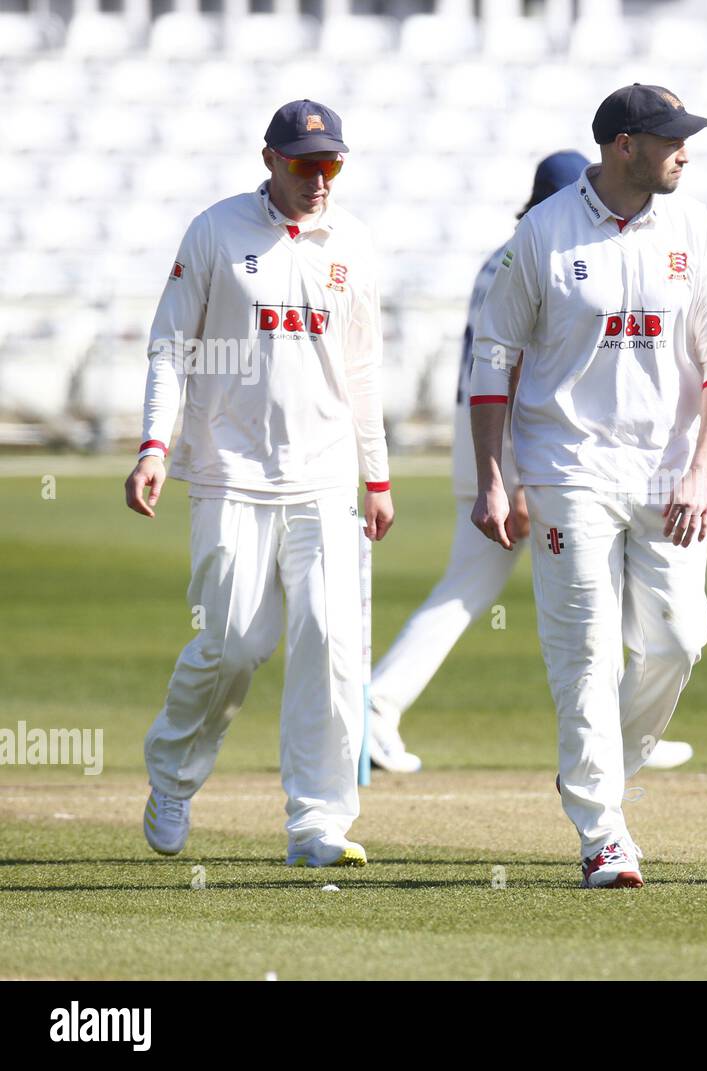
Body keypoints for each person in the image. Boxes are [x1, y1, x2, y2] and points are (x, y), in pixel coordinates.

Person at [469, 85, 707, 888]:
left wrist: (702, 469)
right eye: (671, 138)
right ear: (625, 145)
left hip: (669, 474)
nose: (685, 149)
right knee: (586, 651)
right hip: (567, 469)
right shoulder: (544, 234)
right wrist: (495, 475)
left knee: (680, 637)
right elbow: (493, 361)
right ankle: (603, 832)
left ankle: (597, 771)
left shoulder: (692, 227)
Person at [125, 100, 393, 868]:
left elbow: (363, 368)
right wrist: (154, 445)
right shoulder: (216, 231)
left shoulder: (354, 244)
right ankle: (173, 776)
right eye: (306, 164)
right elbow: (170, 348)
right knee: (235, 644)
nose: (320, 180)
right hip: (228, 473)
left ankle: (318, 822)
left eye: (332, 165)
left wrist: (375, 475)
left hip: (324, 478)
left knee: (330, 646)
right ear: (270, 159)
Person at [367, 150, 694, 776]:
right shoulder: (535, 253)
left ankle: (628, 729)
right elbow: (514, 373)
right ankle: (376, 707)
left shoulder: (511, 254)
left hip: (492, 437)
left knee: (600, 582)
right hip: (512, 444)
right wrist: (512, 477)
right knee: (477, 585)